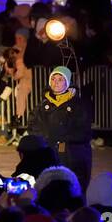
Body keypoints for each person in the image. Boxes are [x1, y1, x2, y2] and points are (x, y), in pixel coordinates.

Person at [29, 65, 93, 193]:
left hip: (70, 154)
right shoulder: (43, 105)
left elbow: (83, 130)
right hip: (48, 152)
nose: (56, 83)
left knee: (70, 188)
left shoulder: (78, 105)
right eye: (53, 79)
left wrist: (63, 139)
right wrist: (44, 140)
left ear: (67, 82)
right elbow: (33, 126)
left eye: (60, 79)